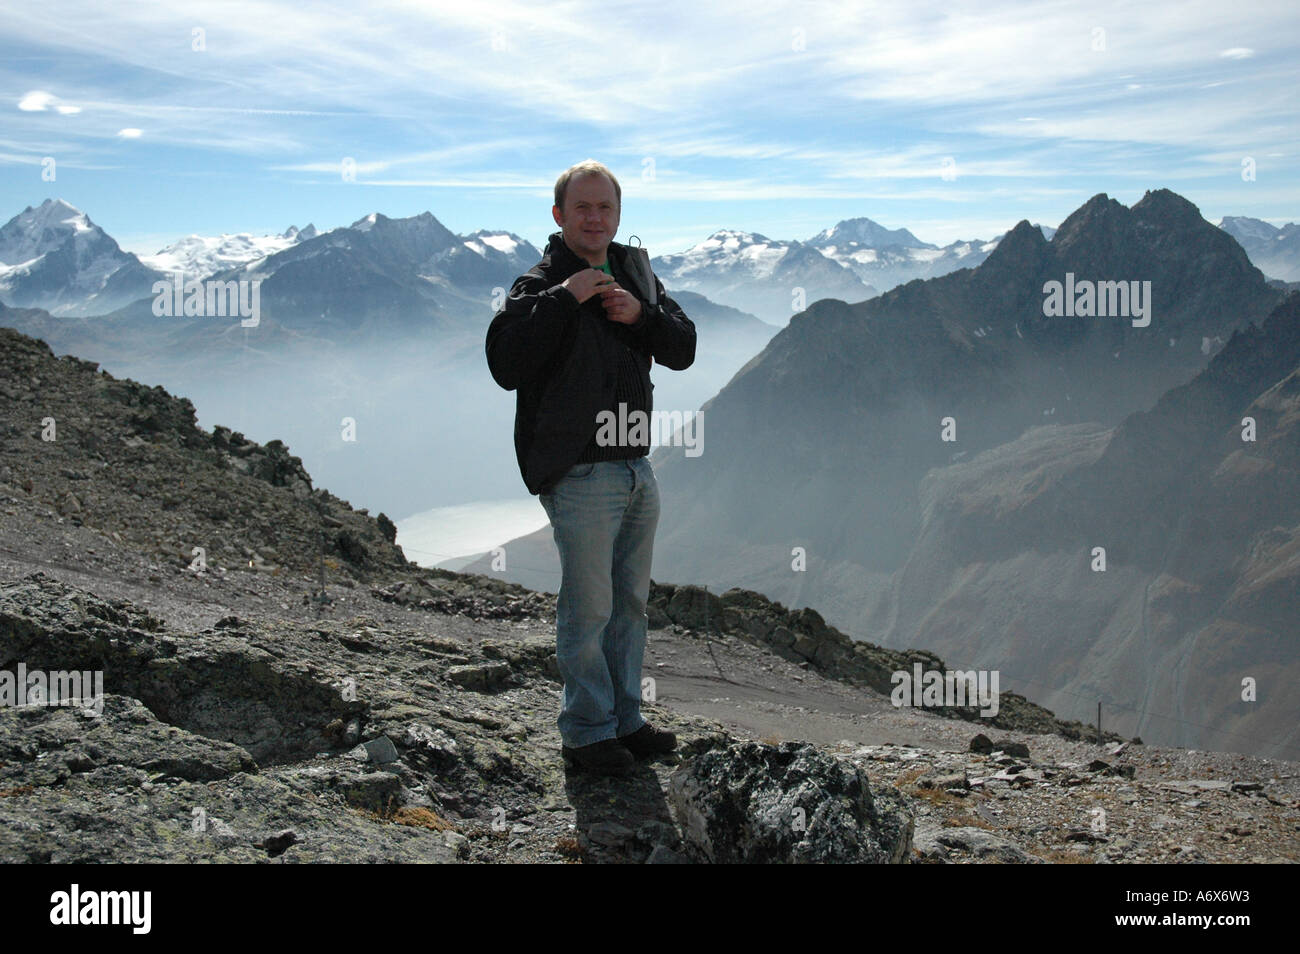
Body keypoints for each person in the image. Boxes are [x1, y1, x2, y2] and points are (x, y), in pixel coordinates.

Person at [485, 160, 696, 776]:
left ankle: (625, 721)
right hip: (580, 472)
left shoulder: (635, 273)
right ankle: (585, 733)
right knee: (589, 607)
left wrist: (644, 316)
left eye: (605, 207)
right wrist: (563, 299)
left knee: (630, 602)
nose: (595, 217)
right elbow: (505, 363)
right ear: (560, 215)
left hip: (634, 464)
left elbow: (682, 348)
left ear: (618, 215)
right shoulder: (539, 282)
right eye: (583, 207)